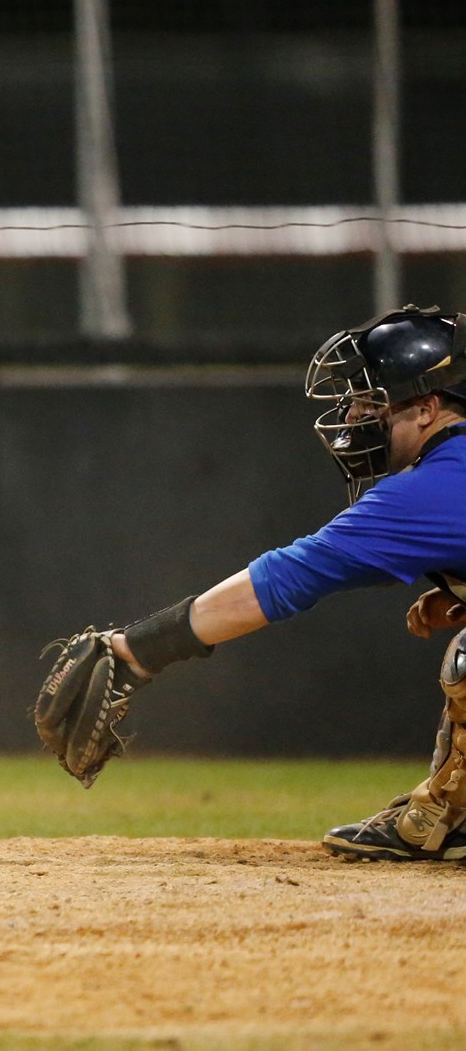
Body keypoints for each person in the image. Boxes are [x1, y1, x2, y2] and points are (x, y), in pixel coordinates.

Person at [33, 305, 466, 862]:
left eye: (373, 401)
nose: (355, 415)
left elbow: (288, 576)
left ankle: (452, 818)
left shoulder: (437, 484)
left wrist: (137, 651)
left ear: (427, 408)